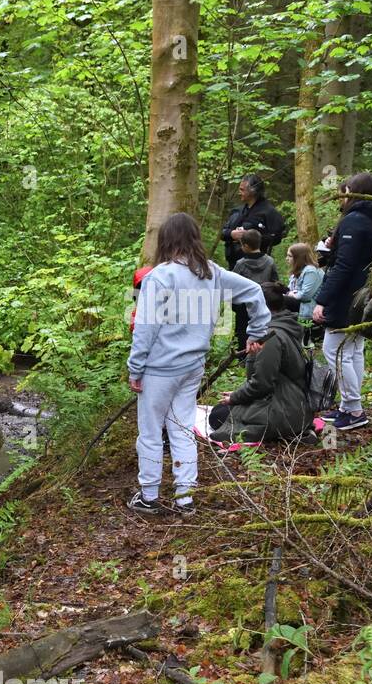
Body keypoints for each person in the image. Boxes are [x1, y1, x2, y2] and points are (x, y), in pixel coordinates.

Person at [128, 212, 272, 516]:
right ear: (194, 238)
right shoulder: (211, 273)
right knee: (181, 429)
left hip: (159, 369)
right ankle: (186, 498)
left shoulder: (159, 277)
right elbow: (255, 291)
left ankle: (149, 496)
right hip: (192, 367)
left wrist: (135, 368)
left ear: (166, 240)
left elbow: (145, 328)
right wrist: (257, 331)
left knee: (151, 432)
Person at [313, 171, 372, 432]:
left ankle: (353, 408)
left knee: (334, 349)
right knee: (353, 350)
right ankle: (349, 406)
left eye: (344, 191)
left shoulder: (354, 220)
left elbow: (344, 265)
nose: (340, 197)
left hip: (349, 297)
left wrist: (323, 300)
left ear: (351, 191)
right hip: (366, 295)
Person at [209, 284, 315, 444]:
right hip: (294, 403)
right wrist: (239, 394)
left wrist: (235, 398)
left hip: (284, 408)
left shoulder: (270, 337)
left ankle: (287, 430)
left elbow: (262, 384)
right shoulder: (285, 326)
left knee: (217, 416)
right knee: (221, 411)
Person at [220, 173, 286, 270]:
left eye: (242, 190)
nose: (239, 192)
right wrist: (231, 234)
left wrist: (250, 237)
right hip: (234, 266)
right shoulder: (237, 211)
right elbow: (223, 232)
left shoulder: (269, 212)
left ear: (253, 191)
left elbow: (276, 237)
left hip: (257, 268)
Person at [231, 229, 279, 353]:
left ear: (246, 246)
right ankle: (263, 352)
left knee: (242, 330)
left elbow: (232, 286)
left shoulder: (240, 264)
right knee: (263, 327)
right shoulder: (270, 261)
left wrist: (233, 305)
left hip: (243, 305)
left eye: (241, 245)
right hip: (264, 302)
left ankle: (244, 355)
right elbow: (275, 282)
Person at [286, 242, 324, 346]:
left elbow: (306, 295)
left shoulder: (310, 271)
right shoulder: (298, 271)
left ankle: (306, 341)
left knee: (283, 301)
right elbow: (290, 289)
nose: (286, 258)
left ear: (298, 258)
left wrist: (292, 295)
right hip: (301, 306)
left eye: (290, 256)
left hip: (308, 309)